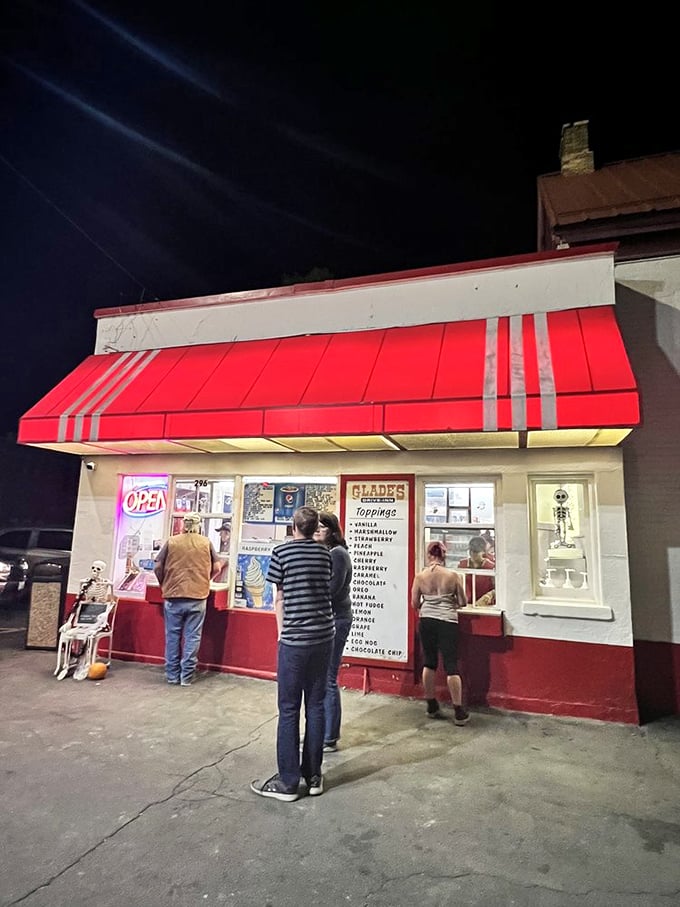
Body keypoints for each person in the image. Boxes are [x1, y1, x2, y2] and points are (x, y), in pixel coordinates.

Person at [250, 506, 334, 802]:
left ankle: (287, 782)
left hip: (294, 640)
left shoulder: (282, 554)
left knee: (288, 709)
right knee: (316, 705)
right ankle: (313, 776)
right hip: (324, 637)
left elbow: (279, 598)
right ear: (314, 529)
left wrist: (281, 633)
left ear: (293, 526)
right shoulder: (325, 554)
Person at [154, 512, 220, 687]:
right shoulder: (206, 542)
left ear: (183, 524)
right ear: (199, 525)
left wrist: (164, 583)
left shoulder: (172, 541)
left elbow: (158, 565)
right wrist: (206, 580)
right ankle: (187, 676)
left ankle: (172, 675)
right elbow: (217, 567)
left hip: (173, 595)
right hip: (198, 596)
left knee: (172, 636)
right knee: (192, 637)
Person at [411, 540, 469, 725]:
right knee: (451, 665)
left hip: (426, 620)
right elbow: (462, 601)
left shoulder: (420, 576)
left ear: (429, 555)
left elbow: (414, 603)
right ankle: (459, 711)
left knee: (429, 662)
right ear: (444, 556)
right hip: (447, 621)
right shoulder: (452, 576)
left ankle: (431, 704)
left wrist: (428, 604)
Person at [314, 512, 353, 753]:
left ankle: (330, 737)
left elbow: (332, 589)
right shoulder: (327, 553)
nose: (317, 530)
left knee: (328, 677)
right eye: (315, 526)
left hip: (337, 619)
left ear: (333, 530)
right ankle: (323, 733)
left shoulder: (338, 554)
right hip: (329, 618)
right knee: (321, 677)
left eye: (322, 527)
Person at [458, 536, 496, 606]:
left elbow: (497, 588)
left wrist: (489, 595)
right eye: (470, 550)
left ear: (483, 552)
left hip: (485, 607)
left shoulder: (491, 567)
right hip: (466, 605)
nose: (472, 554)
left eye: (476, 552)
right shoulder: (462, 565)